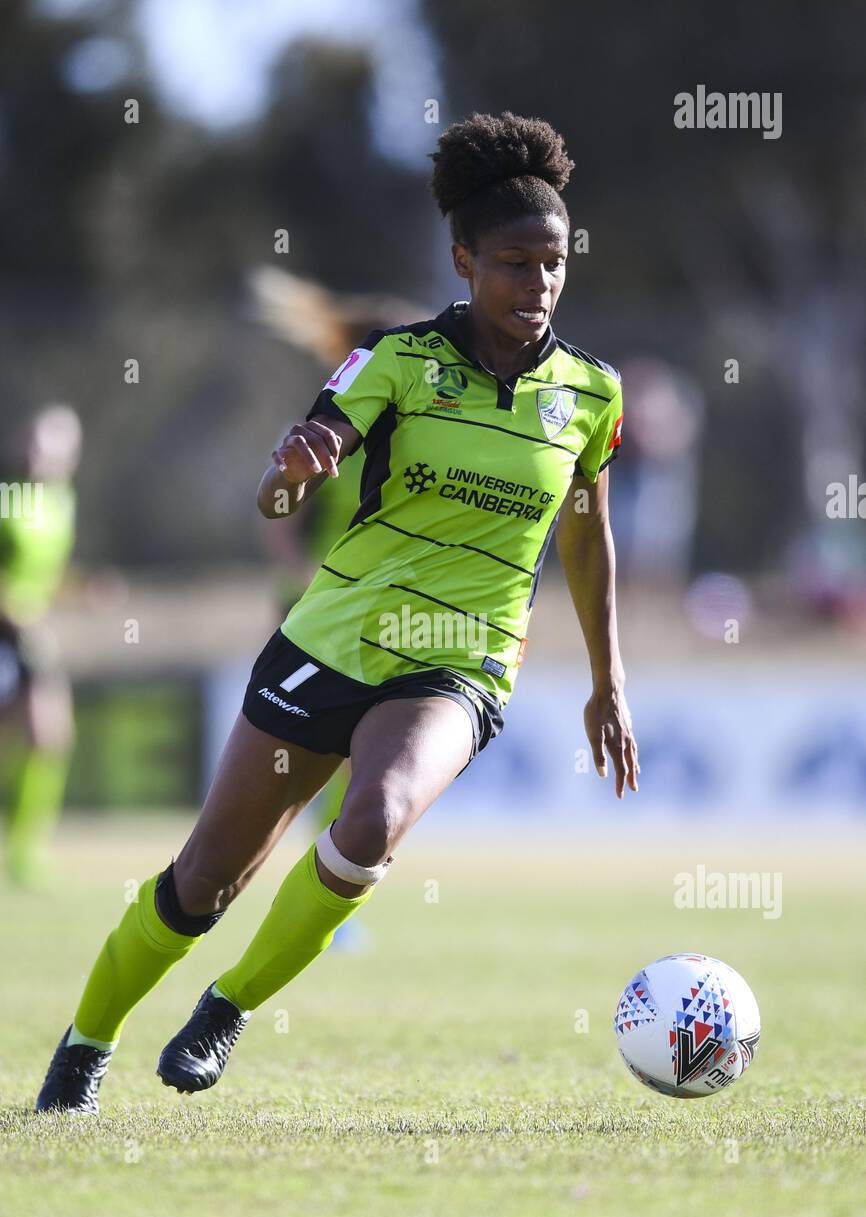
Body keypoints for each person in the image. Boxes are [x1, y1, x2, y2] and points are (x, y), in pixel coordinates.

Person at [35, 111, 638, 1114]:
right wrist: (288, 476)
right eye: (514, 264)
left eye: (554, 264)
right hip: (332, 637)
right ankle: (84, 1045)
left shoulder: (588, 394)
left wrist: (607, 680)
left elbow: (586, 536)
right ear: (463, 259)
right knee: (201, 885)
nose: (537, 286)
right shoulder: (397, 360)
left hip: (463, 657)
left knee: (375, 817)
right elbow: (282, 489)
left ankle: (226, 1009)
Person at [1, 405, 81, 889]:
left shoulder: (62, 503)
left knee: (49, 734)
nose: (36, 455)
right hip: (8, 630)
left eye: (47, 446)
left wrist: (84, 589)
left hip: (24, 636)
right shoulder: (8, 496)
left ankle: (26, 852)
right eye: (30, 442)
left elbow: (45, 580)